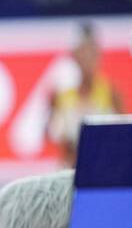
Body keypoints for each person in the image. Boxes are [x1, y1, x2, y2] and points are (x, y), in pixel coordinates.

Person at [47, 23, 124, 167]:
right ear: (74, 55)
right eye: (83, 52)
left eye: (91, 52)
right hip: (70, 169)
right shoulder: (61, 95)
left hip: (102, 167)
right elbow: (55, 137)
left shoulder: (111, 93)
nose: (87, 58)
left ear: (98, 54)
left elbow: (122, 137)